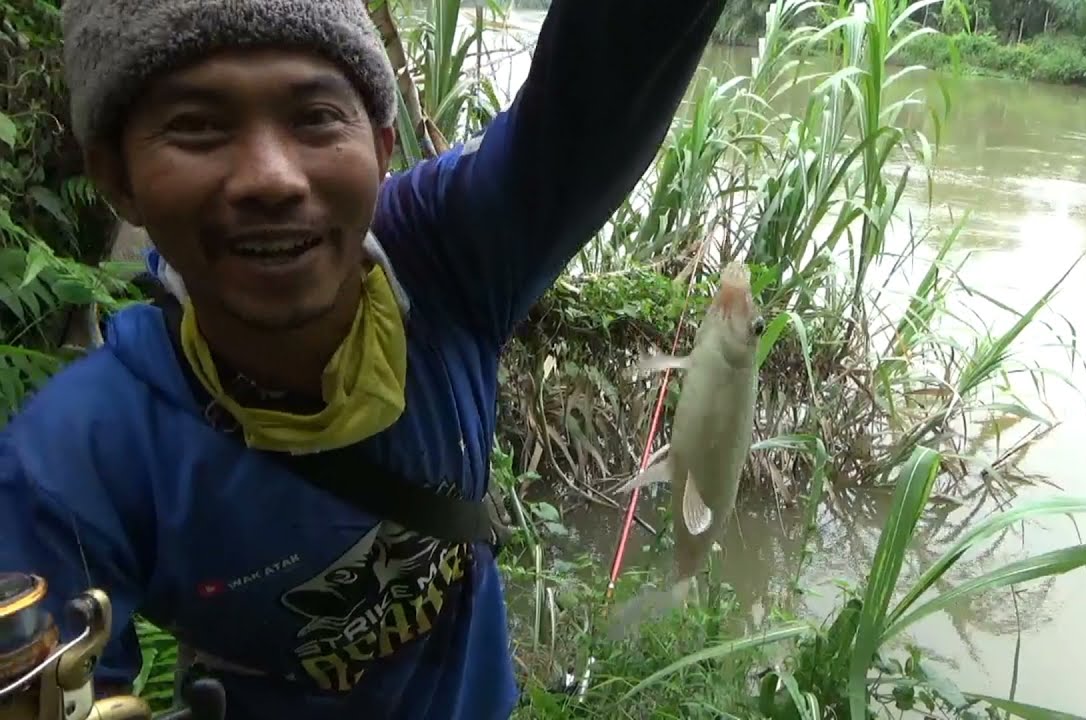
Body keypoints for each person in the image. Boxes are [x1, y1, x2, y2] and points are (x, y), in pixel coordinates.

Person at [0, 0, 728, 717]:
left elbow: (613, 65)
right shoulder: (76, 463)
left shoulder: (450, 258)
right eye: (197, 127)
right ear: (117, 177)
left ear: (381, 149)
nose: (273, 177)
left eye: (316, 117)